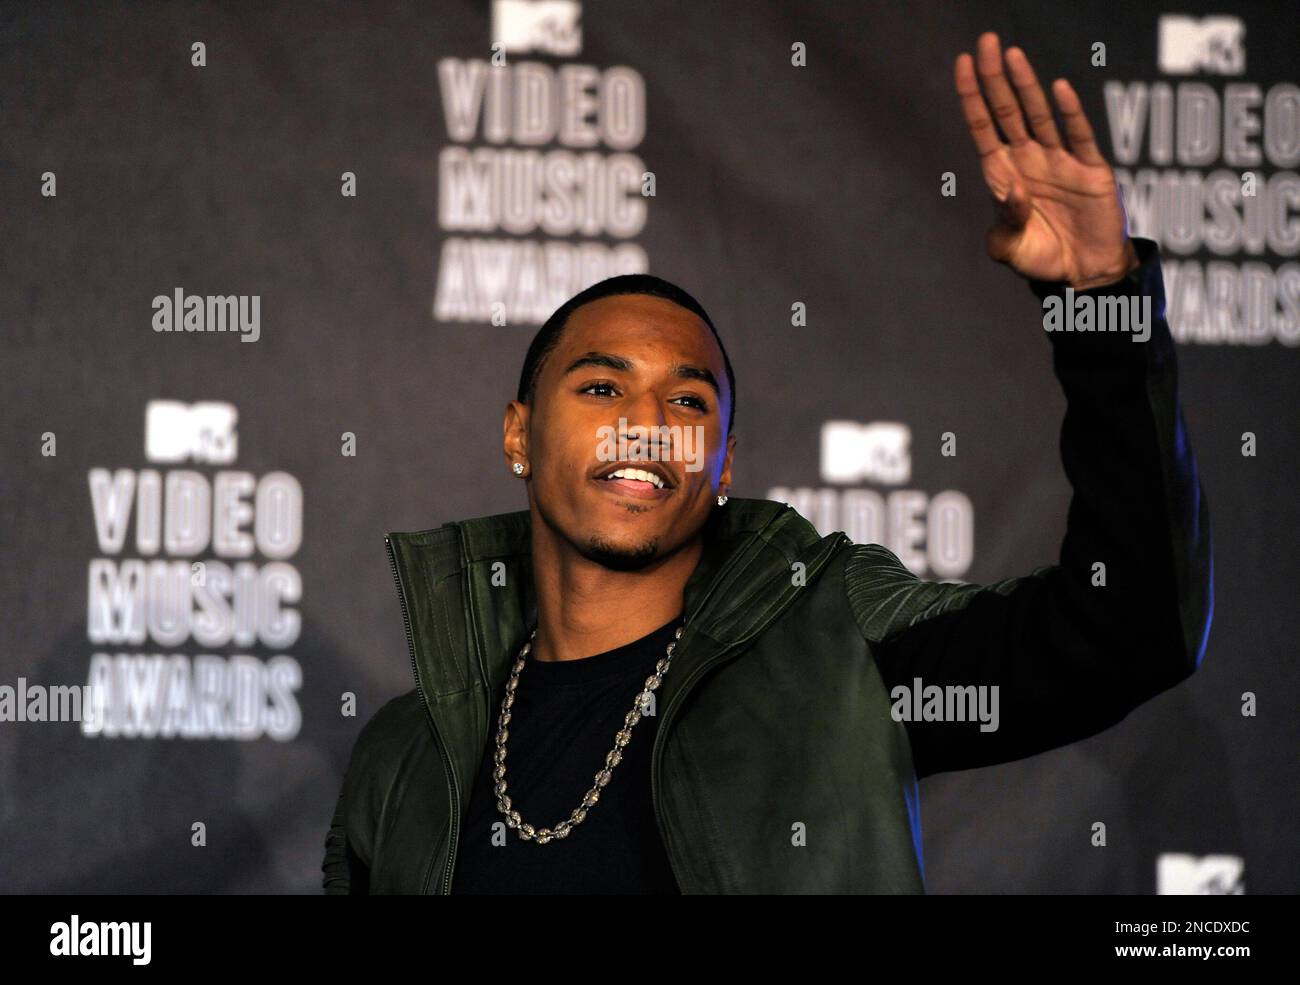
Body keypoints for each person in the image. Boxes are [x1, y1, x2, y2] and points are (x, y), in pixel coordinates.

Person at [322, 32, 1213, 894]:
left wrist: (1101, 302)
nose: (646, 424)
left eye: (687, 401)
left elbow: (1127, 630)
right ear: (519, 433)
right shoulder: (408, 757)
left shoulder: (835, 659)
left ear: (722, 463)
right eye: (600, 389)